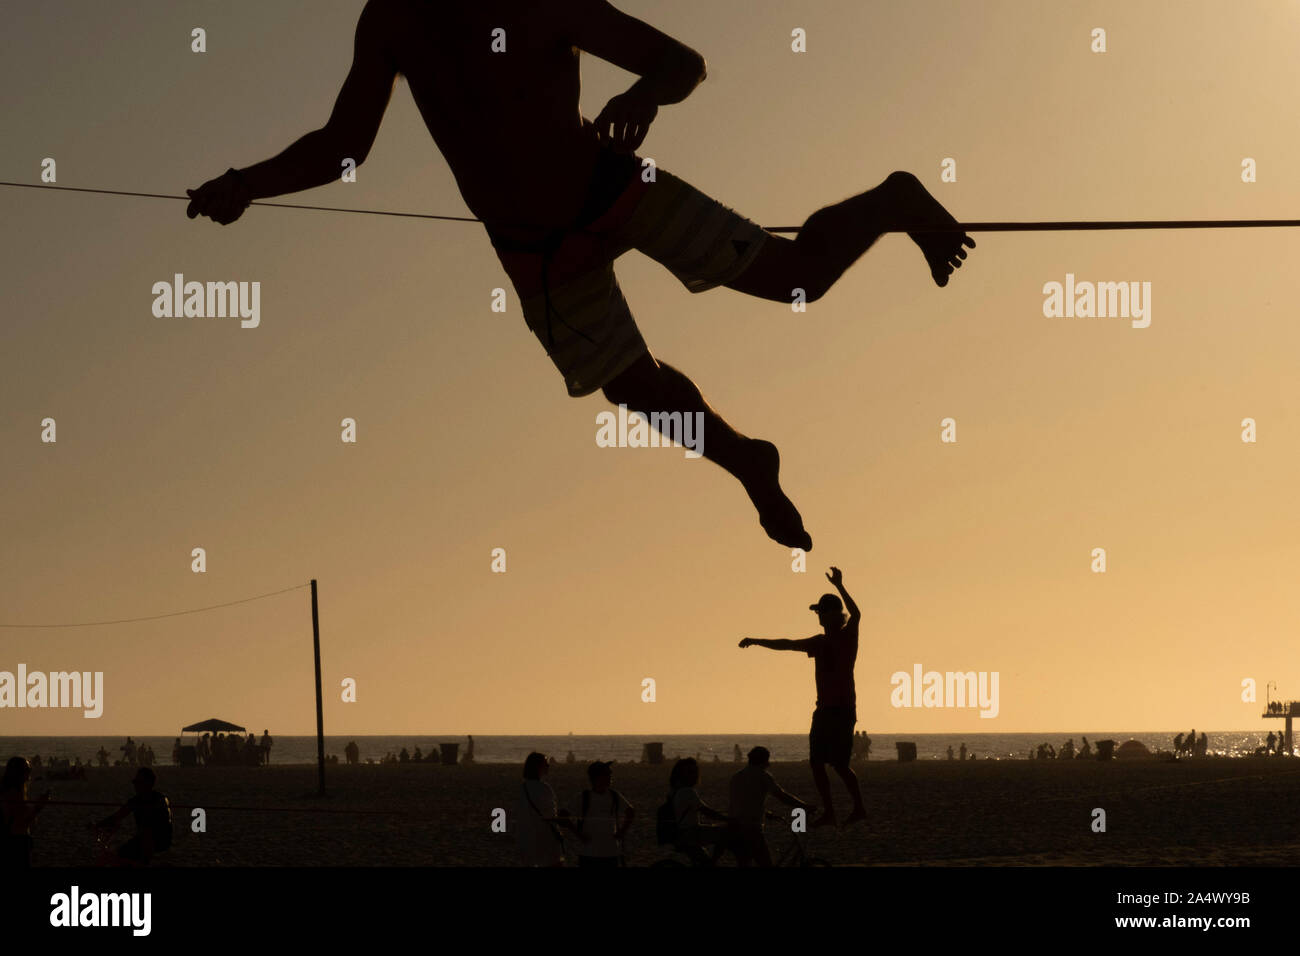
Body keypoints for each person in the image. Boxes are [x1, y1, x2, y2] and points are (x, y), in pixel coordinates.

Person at [184, 0, 975, 553]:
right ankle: (750, 464)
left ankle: (892, 200)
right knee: (631, 388)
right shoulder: (390, 17)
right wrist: (248, 183)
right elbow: (343, 146)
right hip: (531, 246)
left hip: (610, 186)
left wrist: (640, 93)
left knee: (797, 280)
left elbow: (681, 63)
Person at [740, 566, 866, 827]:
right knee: (816, 762)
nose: (818, 616)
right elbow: (786, 643)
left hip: (842, 710)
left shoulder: (847, 636)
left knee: (840, 765)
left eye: (821, 611)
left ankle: (859, 808)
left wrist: (839, 585)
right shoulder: (818, 642)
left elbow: (857, 613)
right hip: (824, 710)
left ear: (833, 615)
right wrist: (756, 640)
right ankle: (830, 811)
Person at [727, 747, 811, 867]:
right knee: (765, 863)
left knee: (744, 862)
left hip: (734, 826)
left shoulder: (736, 777)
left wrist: (766, 813)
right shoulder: (763, 776)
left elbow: (742, 802)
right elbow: (781, 795)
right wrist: (804, 806)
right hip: (751, 828)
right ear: (763, 761)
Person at [94, 767, 173, 866]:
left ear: (148, 784)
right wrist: (100, 824)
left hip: (156, 839)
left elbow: (160, 825)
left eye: (138, 783)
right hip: (150, 838)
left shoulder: (155, 801)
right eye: (135, 782)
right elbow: (118, 815)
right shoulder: (141, 800)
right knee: (122, 853)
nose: (135, 786)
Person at [667, 758, 729, 865]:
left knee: (700, 860)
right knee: (725, 833)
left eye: (695, 772)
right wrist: (728, 819)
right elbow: (706, 812)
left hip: (679, 832)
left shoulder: (674, 790)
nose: (694, 775)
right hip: (690, 833)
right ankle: (713, 862)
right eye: (691, 772)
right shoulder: (687, 791)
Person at [572, 761, 634, 867]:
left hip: (610, 852)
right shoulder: (584, 797)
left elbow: (630, 811)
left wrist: (622, 831)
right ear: (597, 777)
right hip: (589, 853)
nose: (610, 776)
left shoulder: (614, 795)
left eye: (610, 774)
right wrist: (578, 834)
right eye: (607, 774)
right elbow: (563, 815)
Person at [517, 752, 569, 867]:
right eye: (546, 764)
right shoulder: (544, 788)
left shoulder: (523, 788)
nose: (548, 766)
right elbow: (550, 816)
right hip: (545, 838)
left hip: (527, 837)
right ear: (538, 767)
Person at [2, 757, 50, 868]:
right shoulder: (13, 793)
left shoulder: (12, 790)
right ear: (18, 773)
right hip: (17, 841)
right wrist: (39, 807)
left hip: (15, 839)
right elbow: (21, 822)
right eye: (27, 769)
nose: (29, 772)